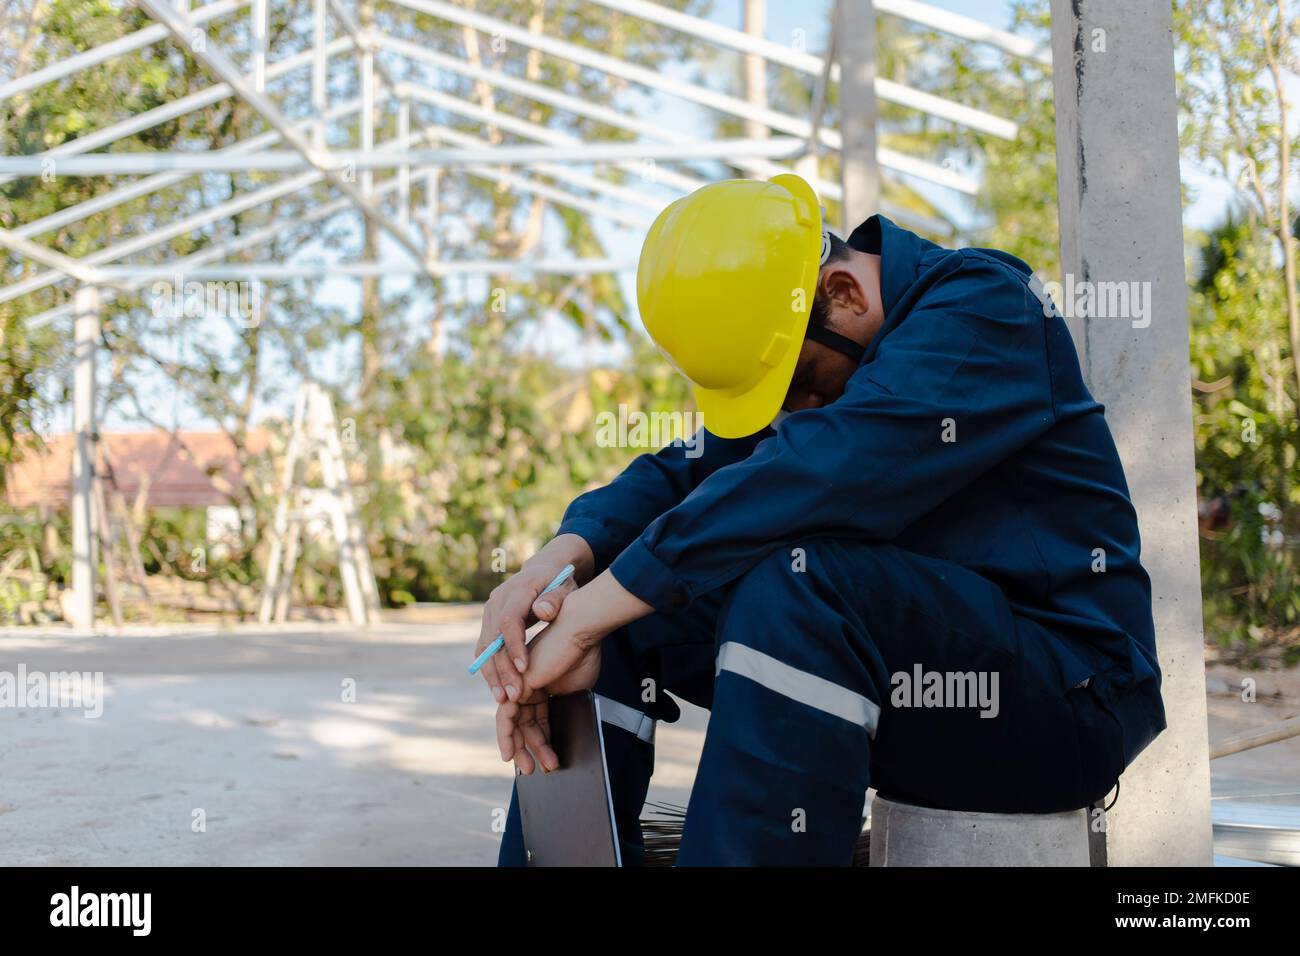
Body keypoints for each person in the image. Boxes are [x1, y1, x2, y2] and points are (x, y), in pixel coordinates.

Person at [476, 173, 1166, 866]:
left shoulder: (983, 308)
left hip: (1067, 701)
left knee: (795, 583)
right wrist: (554, 574)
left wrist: (593, 609)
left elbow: (817, 471)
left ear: (844, 294)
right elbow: (681, 472)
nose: (796, 408)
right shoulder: (826, 356)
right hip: (914, 688)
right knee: (623, 616)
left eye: (803, 382)